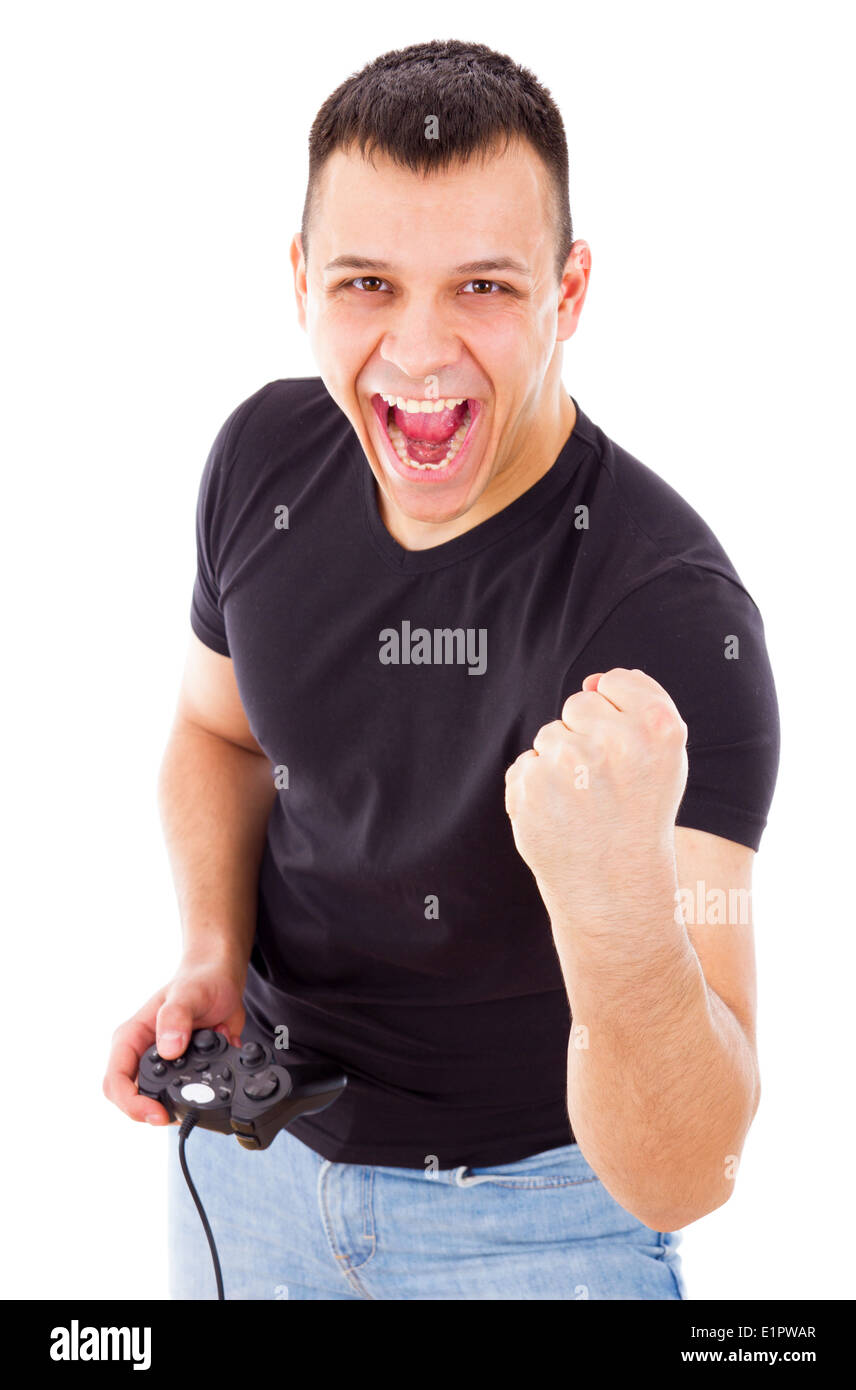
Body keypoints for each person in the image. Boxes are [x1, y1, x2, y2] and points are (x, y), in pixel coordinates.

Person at [103, 39, 780, 1301]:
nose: (417, 353)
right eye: (367, 281)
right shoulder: (262, 459)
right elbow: (220, 734)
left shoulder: (669, 618)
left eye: (482, 286)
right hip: (246, 1172)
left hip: (532, 1223)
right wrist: (212, 947)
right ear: (300, 280)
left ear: (567, 293)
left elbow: (692, 1167)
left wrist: (618, 910)